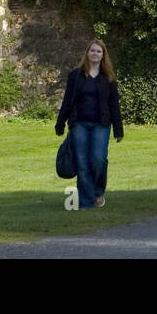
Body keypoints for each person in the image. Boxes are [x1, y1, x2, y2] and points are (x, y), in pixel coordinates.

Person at [55, 40, 123, 209]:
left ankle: (98, 192)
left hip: (101, 124)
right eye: (92, 51)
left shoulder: (108, 78)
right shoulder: (75, 76)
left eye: (98, 51)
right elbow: (67, 101)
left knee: (98, 159)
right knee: (82, 163)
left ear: (103, 56)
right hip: (79, 124)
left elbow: (114, 104)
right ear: (87, 53)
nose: (95, 54)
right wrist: (60, 123)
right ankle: (86, 202)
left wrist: (118, 129)